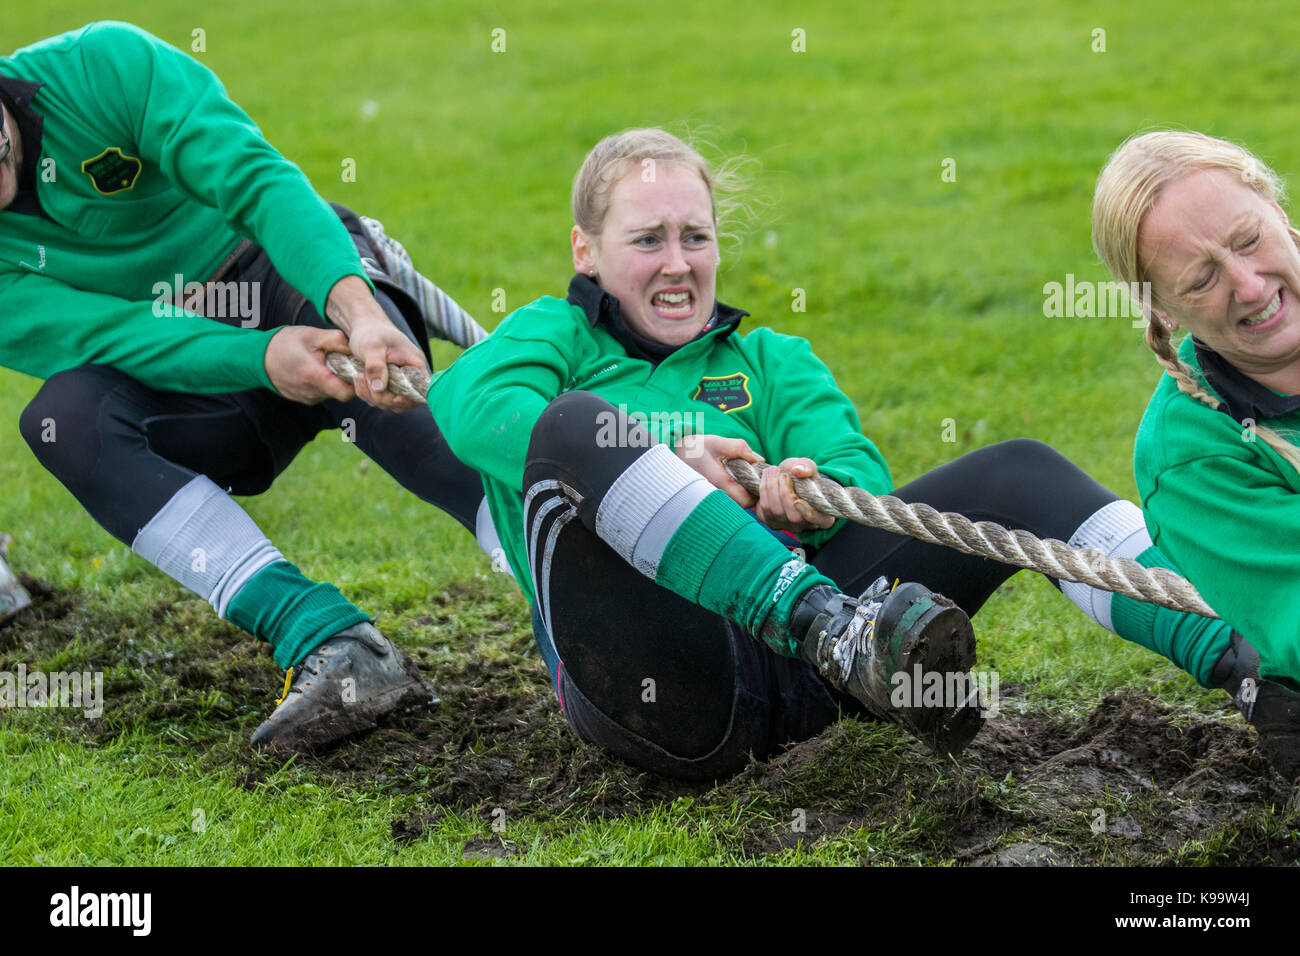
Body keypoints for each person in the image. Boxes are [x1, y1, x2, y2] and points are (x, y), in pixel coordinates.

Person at [426, 127, 1247, 782]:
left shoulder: (774, 361)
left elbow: (865, 486)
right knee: (574, 425)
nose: (678, 264)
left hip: (817, 681)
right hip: (664, 690)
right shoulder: (552, 337)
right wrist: (670, 455)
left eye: (696, 237)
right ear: (586, 251)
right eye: (647, 240)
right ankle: (833, 628)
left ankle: (1253, 666)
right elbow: (467, 409)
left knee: (1019, 470)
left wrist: (811, 495)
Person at [0, 21, 487, 753]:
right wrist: (261, 361)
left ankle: (573, 585)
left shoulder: (105, 65)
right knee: (64, 420)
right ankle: (328, 638)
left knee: (403, 411)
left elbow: (257, 180)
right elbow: (119, 336)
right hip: (196, 364)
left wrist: (354, 311)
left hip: (288, 271)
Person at [1092, 130, 1300, 779]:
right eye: (1202, 278)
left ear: (1278, 210)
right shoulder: (1187, 456)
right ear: (1165, 310)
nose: (1247, 284)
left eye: (1248, 240)